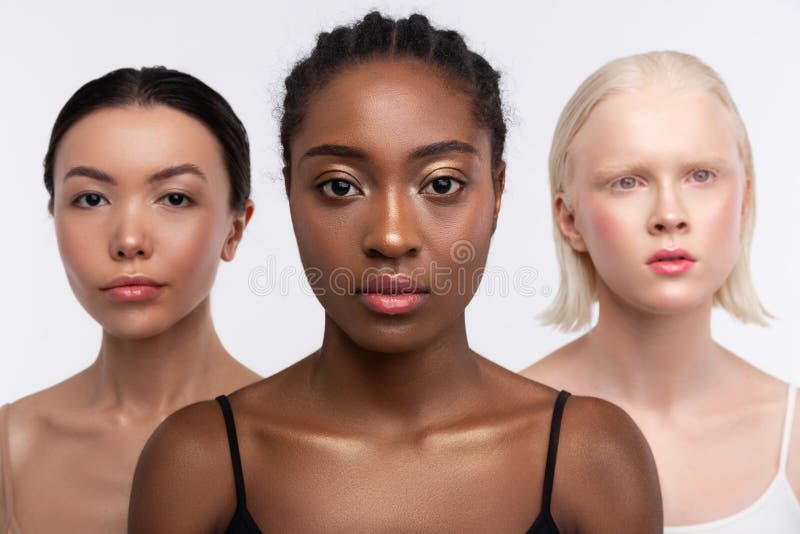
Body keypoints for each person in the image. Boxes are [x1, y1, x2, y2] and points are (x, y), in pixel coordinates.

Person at [130, 13, 661, 533]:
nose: (390, 237)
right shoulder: (198, 461)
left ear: (498, 192)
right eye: (340, 186)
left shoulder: (591, 457)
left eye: (441, 184)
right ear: (290, 191)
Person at [522, 51, 800, 531]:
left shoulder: (793, 439)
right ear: (569, 219)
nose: (669, 214)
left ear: (745, 201)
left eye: (701, 176)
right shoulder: (504, 431)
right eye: (627, 181)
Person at [0, 67, 260, 534]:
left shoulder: (305, 440)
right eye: (92, 199)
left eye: (175, 198)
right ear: (54, 214)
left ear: (235, 228)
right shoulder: (9, 447)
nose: (129, 240)